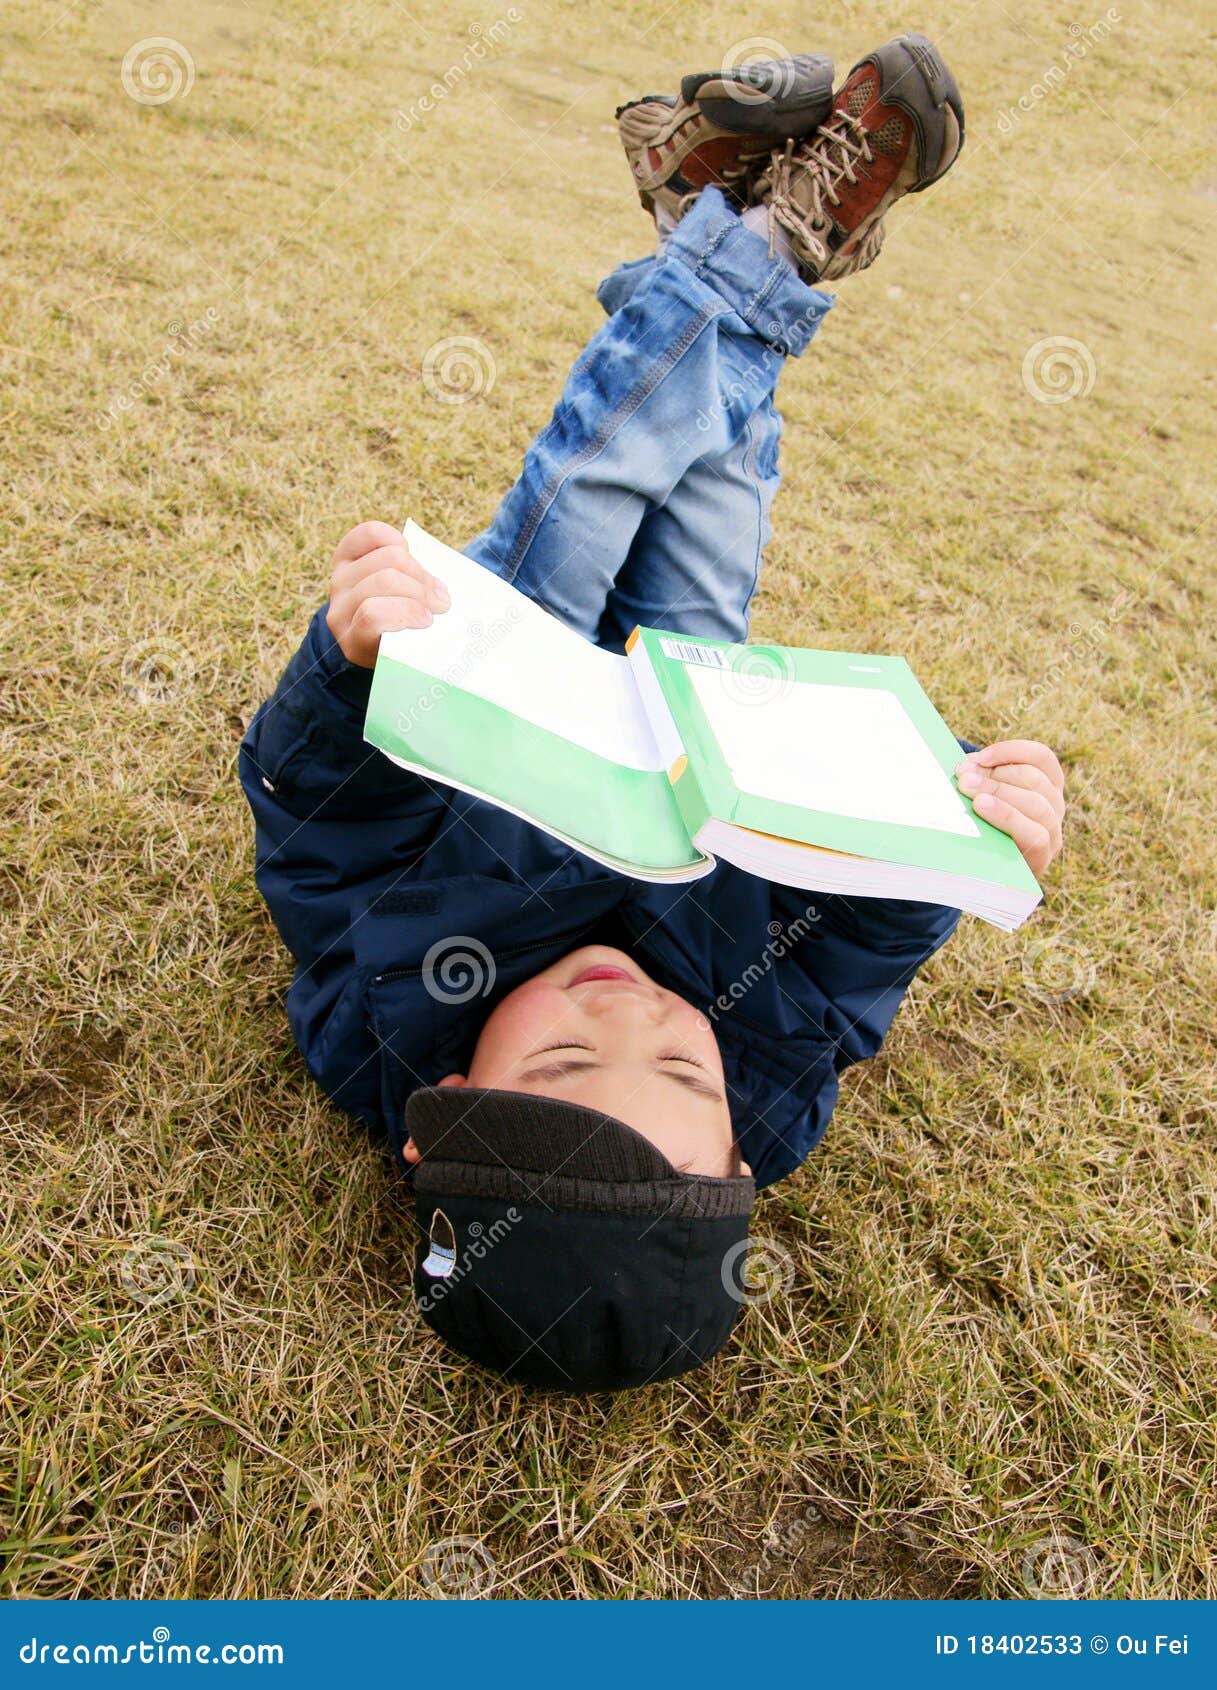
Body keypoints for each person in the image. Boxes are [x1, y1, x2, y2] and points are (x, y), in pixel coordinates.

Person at [240, 37, 1067, 1392]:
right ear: (736, 1153)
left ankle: (768, 240)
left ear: (437, 1114)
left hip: (510, 702)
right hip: (693, 724)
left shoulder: (375, 1017)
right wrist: (958, 829)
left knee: (596, 481)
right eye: (680, 1076)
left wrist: (348, 667)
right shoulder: (774, 1085)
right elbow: (847, 954)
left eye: (563, 1052)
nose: (624, 1018)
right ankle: (717, 219)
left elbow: (315, 834)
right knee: (717, 492)